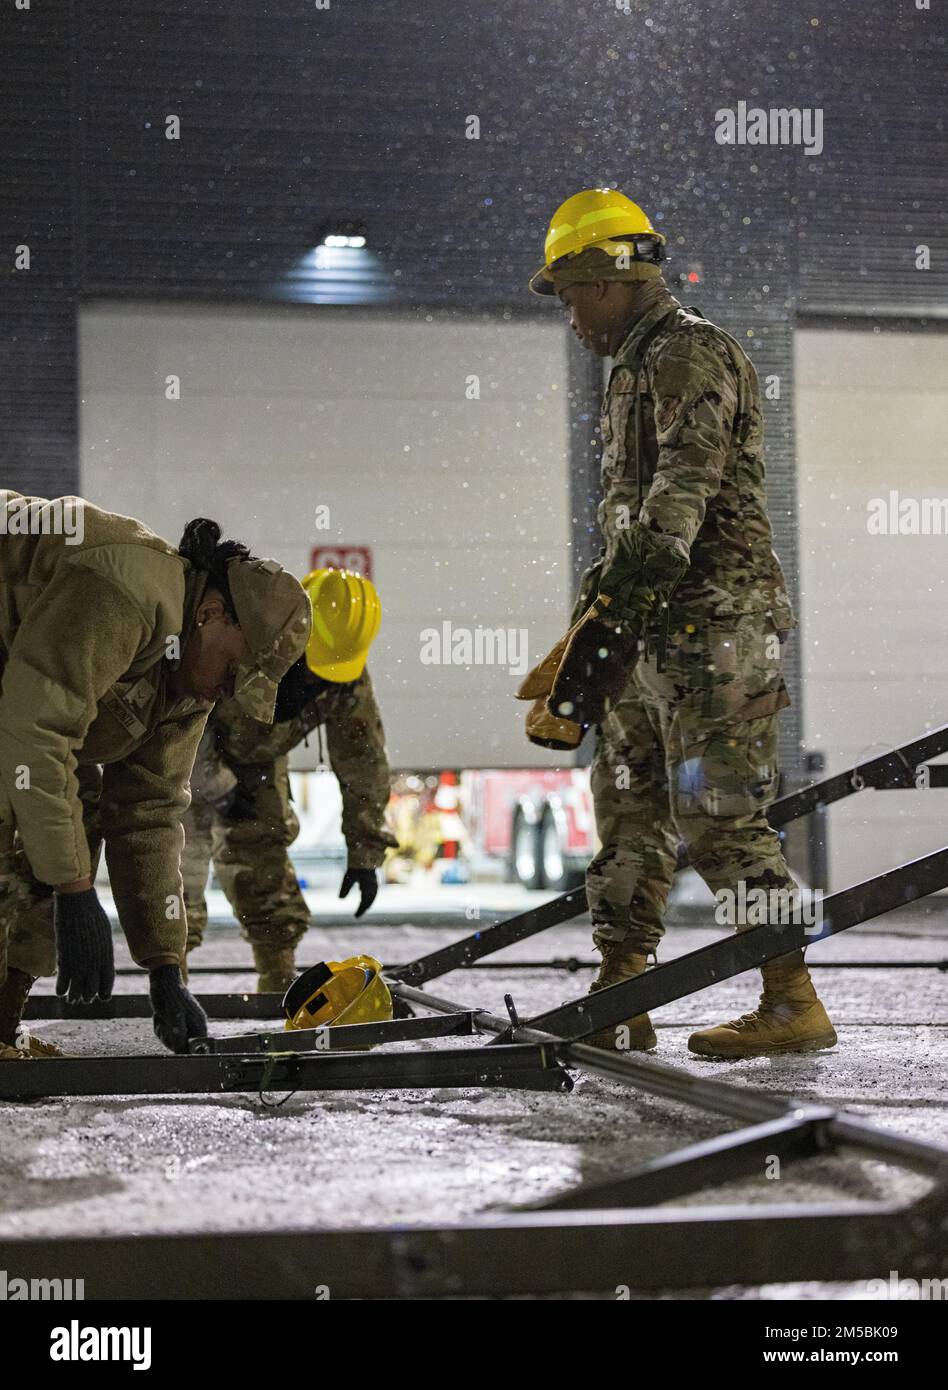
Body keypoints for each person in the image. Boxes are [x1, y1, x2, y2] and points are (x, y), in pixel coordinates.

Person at [519, 188, 836, 1059]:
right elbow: (631, 525)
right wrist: (595, 624)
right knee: (624, 802)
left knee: (717, 813)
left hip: (717, 632)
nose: (572, 316)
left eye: (574, 293)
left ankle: (791, 998)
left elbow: (672, 512)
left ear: (613, 278)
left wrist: (597, 624)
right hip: (649, 629)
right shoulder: (632, 365)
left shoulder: (692, 356)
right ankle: (624, 986)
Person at [0, 495, 311, 1058]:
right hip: (19, 711)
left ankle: (2, 1023)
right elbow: (36, 733)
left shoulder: (187, 684)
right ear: (211, 613)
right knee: (26, 818)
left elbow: (147, 810)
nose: (227, 691)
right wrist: (73, 891)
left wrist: (165, 972)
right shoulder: (128, 591)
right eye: (236, 670)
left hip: (18, 709)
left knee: (72, 818)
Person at [182, 568, 396, 992]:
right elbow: (183, 718)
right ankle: (169, 983)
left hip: (259, 760)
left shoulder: (346, 673)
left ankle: (278, 980)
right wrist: (220, 787)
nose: (317, 680)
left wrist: (365, 851)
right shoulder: (237, 637)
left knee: (265, 859)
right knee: (176, 871)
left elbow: (362, 763)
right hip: (188, 756)